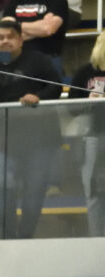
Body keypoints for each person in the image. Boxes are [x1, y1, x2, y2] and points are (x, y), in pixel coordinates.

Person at [0, 18, 63, 239]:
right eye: (0, 38)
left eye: (10, 37)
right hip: (8, 145)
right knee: (3, 195)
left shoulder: (37, 60)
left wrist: (38, 96)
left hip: (41, 143)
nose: (4, 42)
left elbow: (57, 86)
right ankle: (7, 241)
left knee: (33, 198)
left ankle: (25, 240)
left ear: (21, 39)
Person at [69, 32, 105, 236]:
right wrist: (88, 100)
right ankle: (97, 239)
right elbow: (71, 108)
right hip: (93, 136)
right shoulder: (86, 72)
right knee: (94, 193)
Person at [0, 0, 67, 71]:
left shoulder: (57, 1)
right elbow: (5, 30)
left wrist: (15, 25)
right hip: (14, 58)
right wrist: (38, 29)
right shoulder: (14, 2)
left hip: (47, 58)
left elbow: (47, 29)